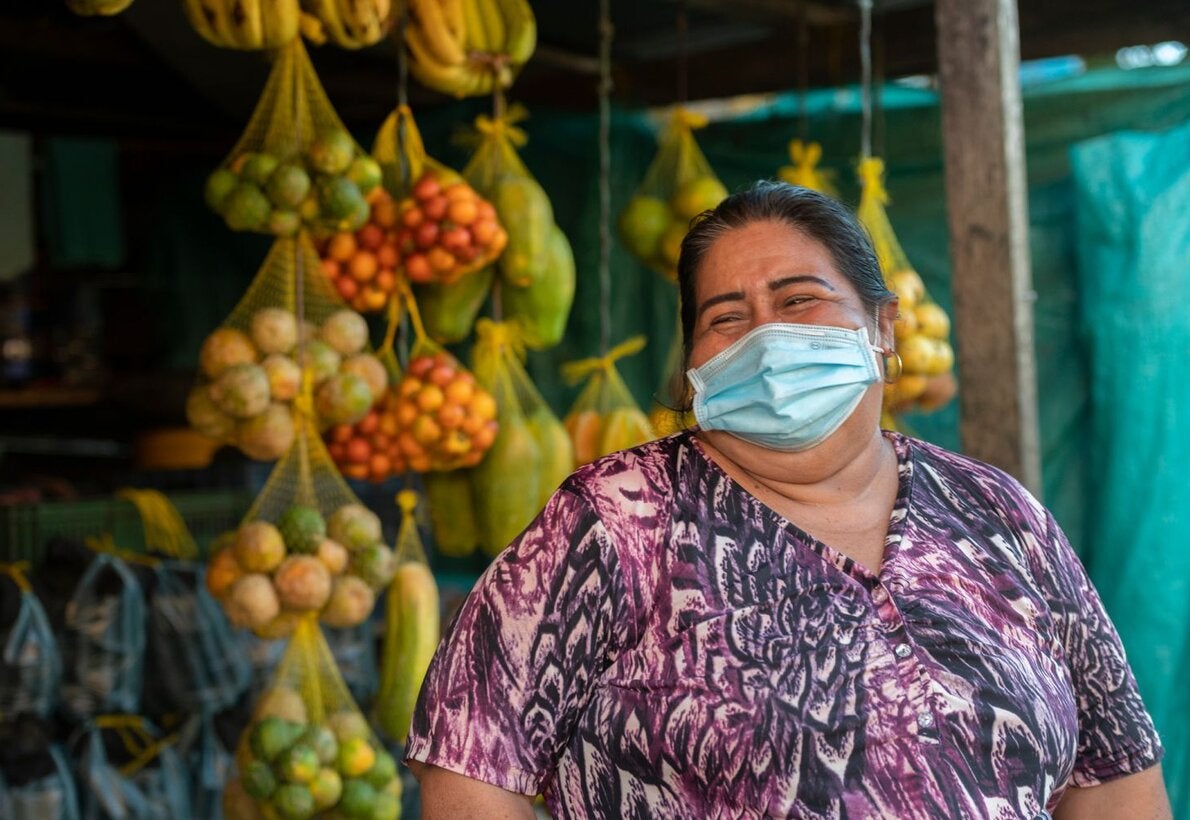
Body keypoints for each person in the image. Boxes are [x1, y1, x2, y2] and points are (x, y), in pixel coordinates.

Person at [404, 181, 1169, 819]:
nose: (765, 341)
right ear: (694, 362)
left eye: (800, 300)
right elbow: (468, 764)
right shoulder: (615, 520)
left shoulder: (998, 516)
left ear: (881, 326)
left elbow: (1115, 776)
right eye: (726, 317)